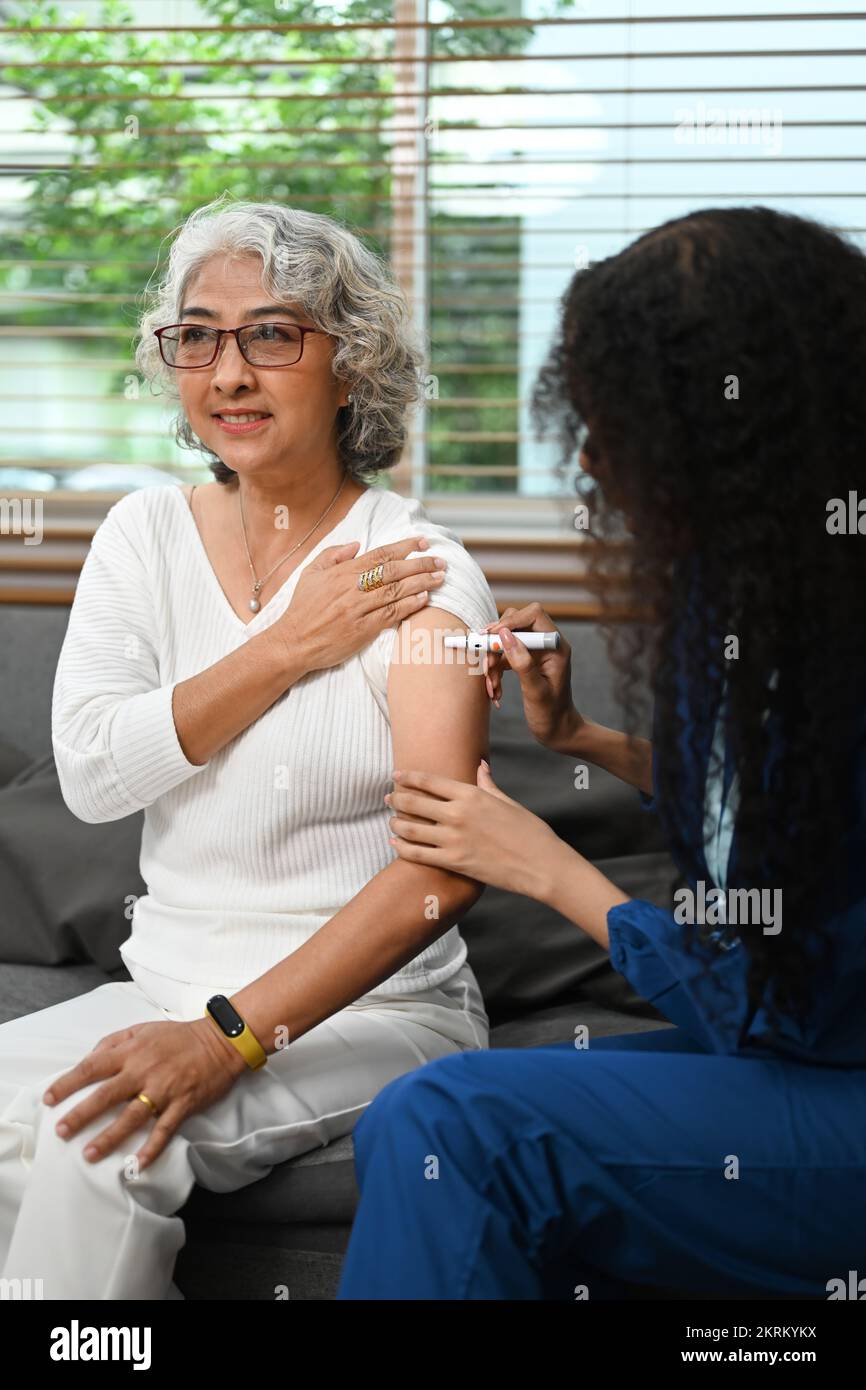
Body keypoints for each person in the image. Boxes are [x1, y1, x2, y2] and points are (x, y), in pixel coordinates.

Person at [336, 206, 866, 1300]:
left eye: (612, 419)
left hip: (830, 1070)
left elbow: (775, 1007)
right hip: (815, 1061)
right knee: (456, 1117)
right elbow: (793, 811)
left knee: (451, 1122)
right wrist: (583, 742)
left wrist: (542, 865)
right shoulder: (782, 594)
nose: (585, 453)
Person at [0, 196, 496, 1300]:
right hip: (161, 980)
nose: (227, 372)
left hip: (377, 1013)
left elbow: (446, 862)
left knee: (94, 1152)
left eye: (271, 334)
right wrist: (284, 649)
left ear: (352, 364)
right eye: (198, 337)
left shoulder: (417, 572)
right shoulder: (143, 533)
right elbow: (89, 773)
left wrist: (228, 1036)